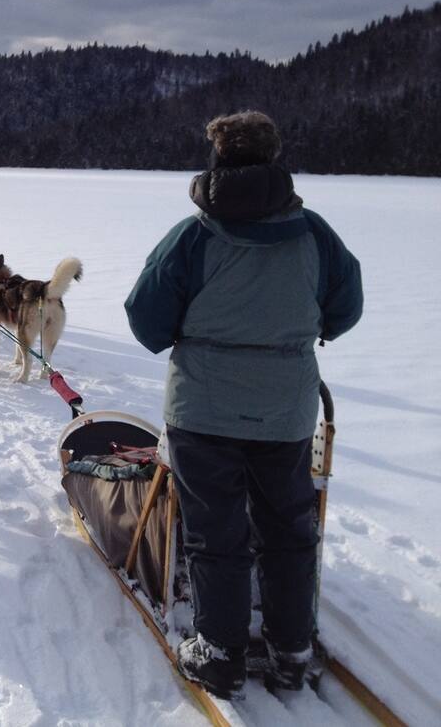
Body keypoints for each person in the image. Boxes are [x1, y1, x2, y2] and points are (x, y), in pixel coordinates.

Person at [124, 111, 362, 699]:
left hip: (203, 409)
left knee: (217, 533)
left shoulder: (194, 236)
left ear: (218, 160)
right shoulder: (315, 234)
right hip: (286, 411)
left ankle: (220, 650)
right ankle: (291, 646)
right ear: (275, 157)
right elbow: (346, 305)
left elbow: (145, 317)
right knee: (287, 527)